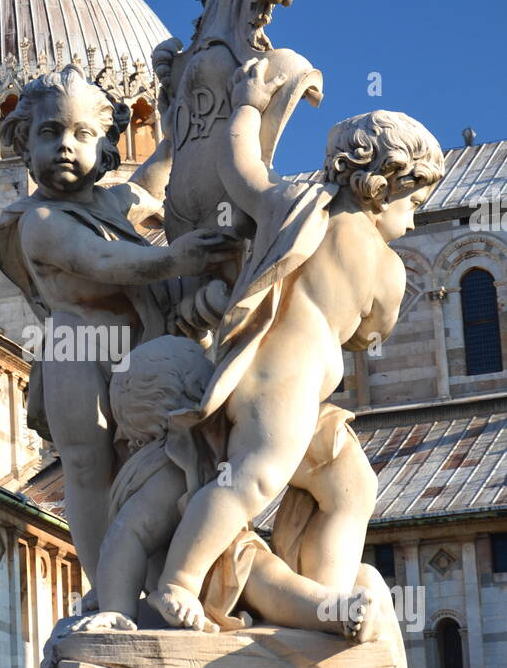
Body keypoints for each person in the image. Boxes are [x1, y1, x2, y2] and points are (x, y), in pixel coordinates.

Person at [149, 59, 445, 631]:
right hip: (279, 379)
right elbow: (372, 334)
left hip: (306, 396)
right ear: (383, 187)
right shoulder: (385, 266)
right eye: (413, 203)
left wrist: (246, 106)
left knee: (353, 486)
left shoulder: (297, 206)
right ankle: (178, 582)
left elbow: (241, 171)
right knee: (252, 478)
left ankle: (326, 601)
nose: (413, 221)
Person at [82, 336, 458, 668]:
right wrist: (117, 610)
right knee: (265, 575)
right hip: (217, 580)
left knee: (368, 578)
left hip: (231, 557)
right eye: (210, 395)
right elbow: (126, 536)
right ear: (185, 408)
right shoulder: (168, 470)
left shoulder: (204, 455)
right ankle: (331, 614)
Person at [0, 64, 231, 580]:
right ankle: (104, 584)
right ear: (25, 147)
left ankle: (149, 573)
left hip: (140, 352)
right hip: (75, 351)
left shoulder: (115, 201)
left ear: (105, 150)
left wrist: (182, 114)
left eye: (82, 134)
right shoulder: (40, 222)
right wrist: (177, 260)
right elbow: (103, 263)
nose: (64, 146)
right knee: (87, 468)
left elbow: (160, 175)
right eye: (49, 133)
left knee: (150, 461)